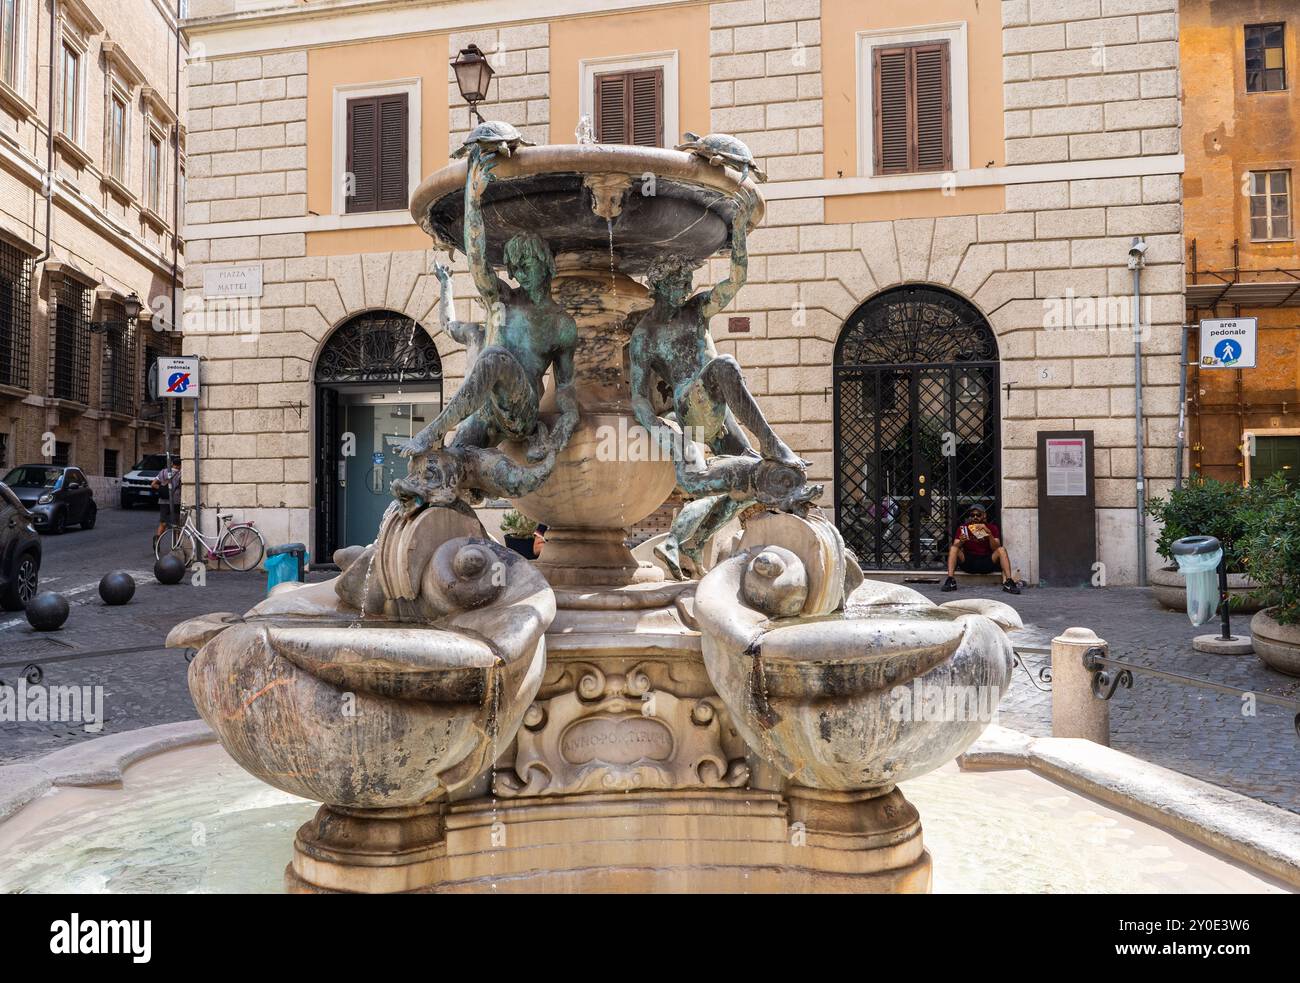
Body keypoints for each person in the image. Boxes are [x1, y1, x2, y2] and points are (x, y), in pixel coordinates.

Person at [941, 505, 1020, 595]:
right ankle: (950, 580)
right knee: (953, 548)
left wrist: (989, 535)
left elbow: (996, 548)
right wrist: (961, 541)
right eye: (972, 515)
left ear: (984, 515)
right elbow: (955, 546)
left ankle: (1009, 582)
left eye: (978, 515)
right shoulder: (964, 528)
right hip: (969, 561)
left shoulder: (992, 528)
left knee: (1002, 550)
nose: (975, 517)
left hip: (986, 561)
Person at [152, 456, 181, 542]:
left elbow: (153, 484)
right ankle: (178, 544)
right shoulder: (180, 474)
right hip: (176, 501)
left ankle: (157, 539)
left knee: (163, 522)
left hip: (163, 500)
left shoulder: (163, 472)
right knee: (177, 523)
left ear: (172, 464)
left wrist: (162, 489)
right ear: (180, 465)